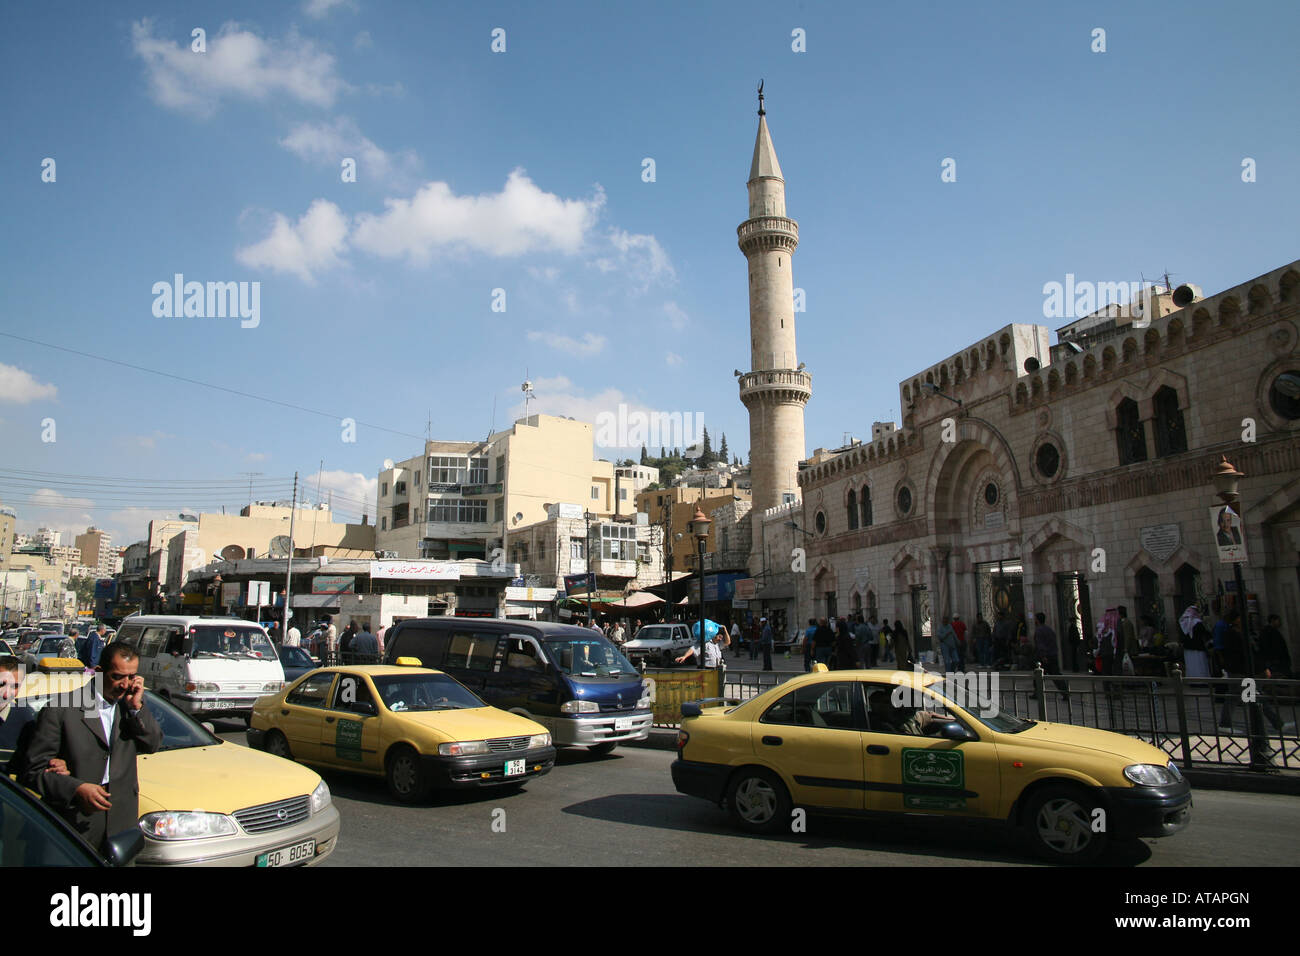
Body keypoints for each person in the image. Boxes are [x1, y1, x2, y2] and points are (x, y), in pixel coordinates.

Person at [20, 643, 163, 854]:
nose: (125, 685)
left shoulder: (130, 707)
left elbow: (152, 744)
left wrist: (136, 709)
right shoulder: (62, 708)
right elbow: (32, 771)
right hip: (76, 821)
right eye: (117, 677)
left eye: (131, 677)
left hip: (121, 823)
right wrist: (75, 788)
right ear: (98, 673)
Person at [1259, 614, 1292, 679]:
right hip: (1276, 661)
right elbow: (1274, 647)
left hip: (1277, 660)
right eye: (1277, 620)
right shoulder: (1269, 632)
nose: (1279, 622)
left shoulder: (1271, 631)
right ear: (1273, 621)